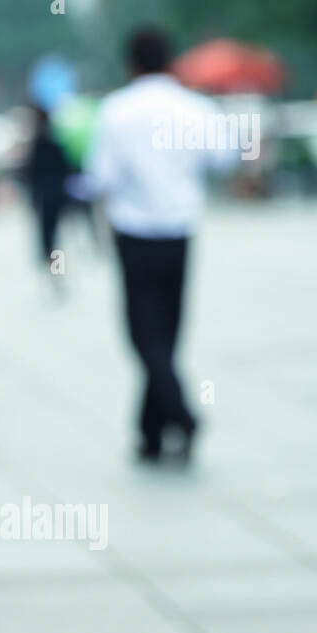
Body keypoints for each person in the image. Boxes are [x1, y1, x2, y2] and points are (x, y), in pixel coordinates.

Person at [85, 27, 237, 466]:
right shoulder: (194, 108)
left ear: (131, 64)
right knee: (167, 332)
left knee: (143, 334)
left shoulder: (116, 111)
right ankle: (152, 432)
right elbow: (224, 158)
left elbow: (101, 178)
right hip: (179, 230)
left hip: (135, 234)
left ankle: (180, 415)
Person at [20, 103, 70, 290]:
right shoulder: (55, 141)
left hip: (44, 198)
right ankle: (57, 271)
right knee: (54, 237)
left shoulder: (38, 143)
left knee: (49, 238)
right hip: (56, 196)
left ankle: (55, 271)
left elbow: (29, 172)